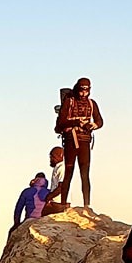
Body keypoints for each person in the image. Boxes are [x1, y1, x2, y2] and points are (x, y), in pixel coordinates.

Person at [54, 78, 103, 210]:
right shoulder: (69, 102)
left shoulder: (92, 104)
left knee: (85, 173)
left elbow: (100, 121)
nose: (83, 93)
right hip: (71, 140)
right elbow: (60, 124)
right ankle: (63, 203)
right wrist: (76, 122)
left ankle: (87, 205)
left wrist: (93, 125)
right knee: (68, 172)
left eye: (86, 90)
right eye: (81, 90)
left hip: (85, 140)